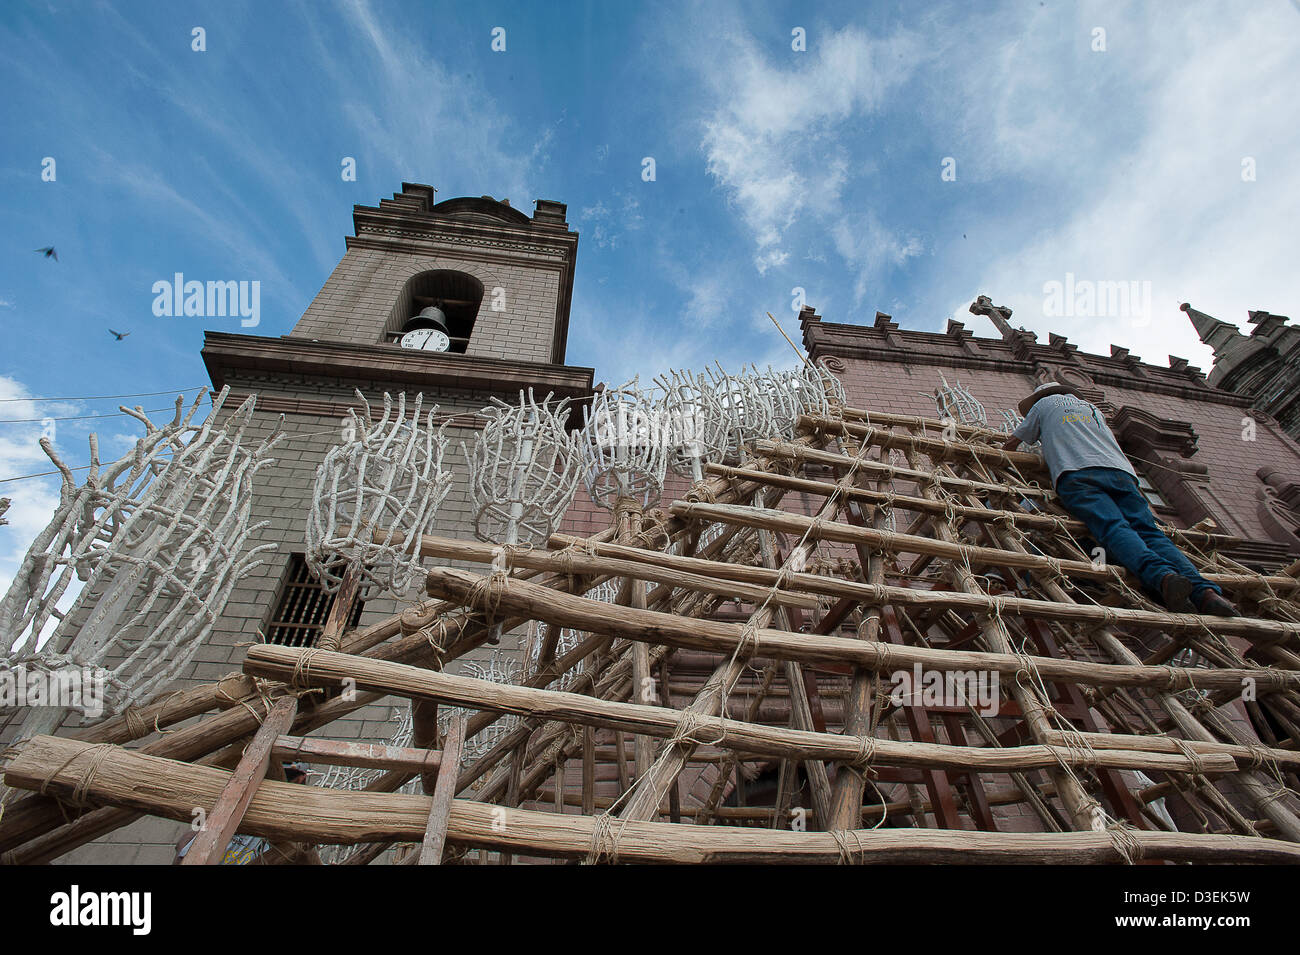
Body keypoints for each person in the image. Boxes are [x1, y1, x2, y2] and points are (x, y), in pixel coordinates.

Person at [1001, 381, 1240, 616]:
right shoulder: (1091, 408)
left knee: (1113, 527)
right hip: (1122, 474)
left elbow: (1014, 441)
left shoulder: (1044, 405)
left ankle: (1163, 577)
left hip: (1078, 473)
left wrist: (1000, 461)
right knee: (1150, 532)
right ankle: (1206, 592)